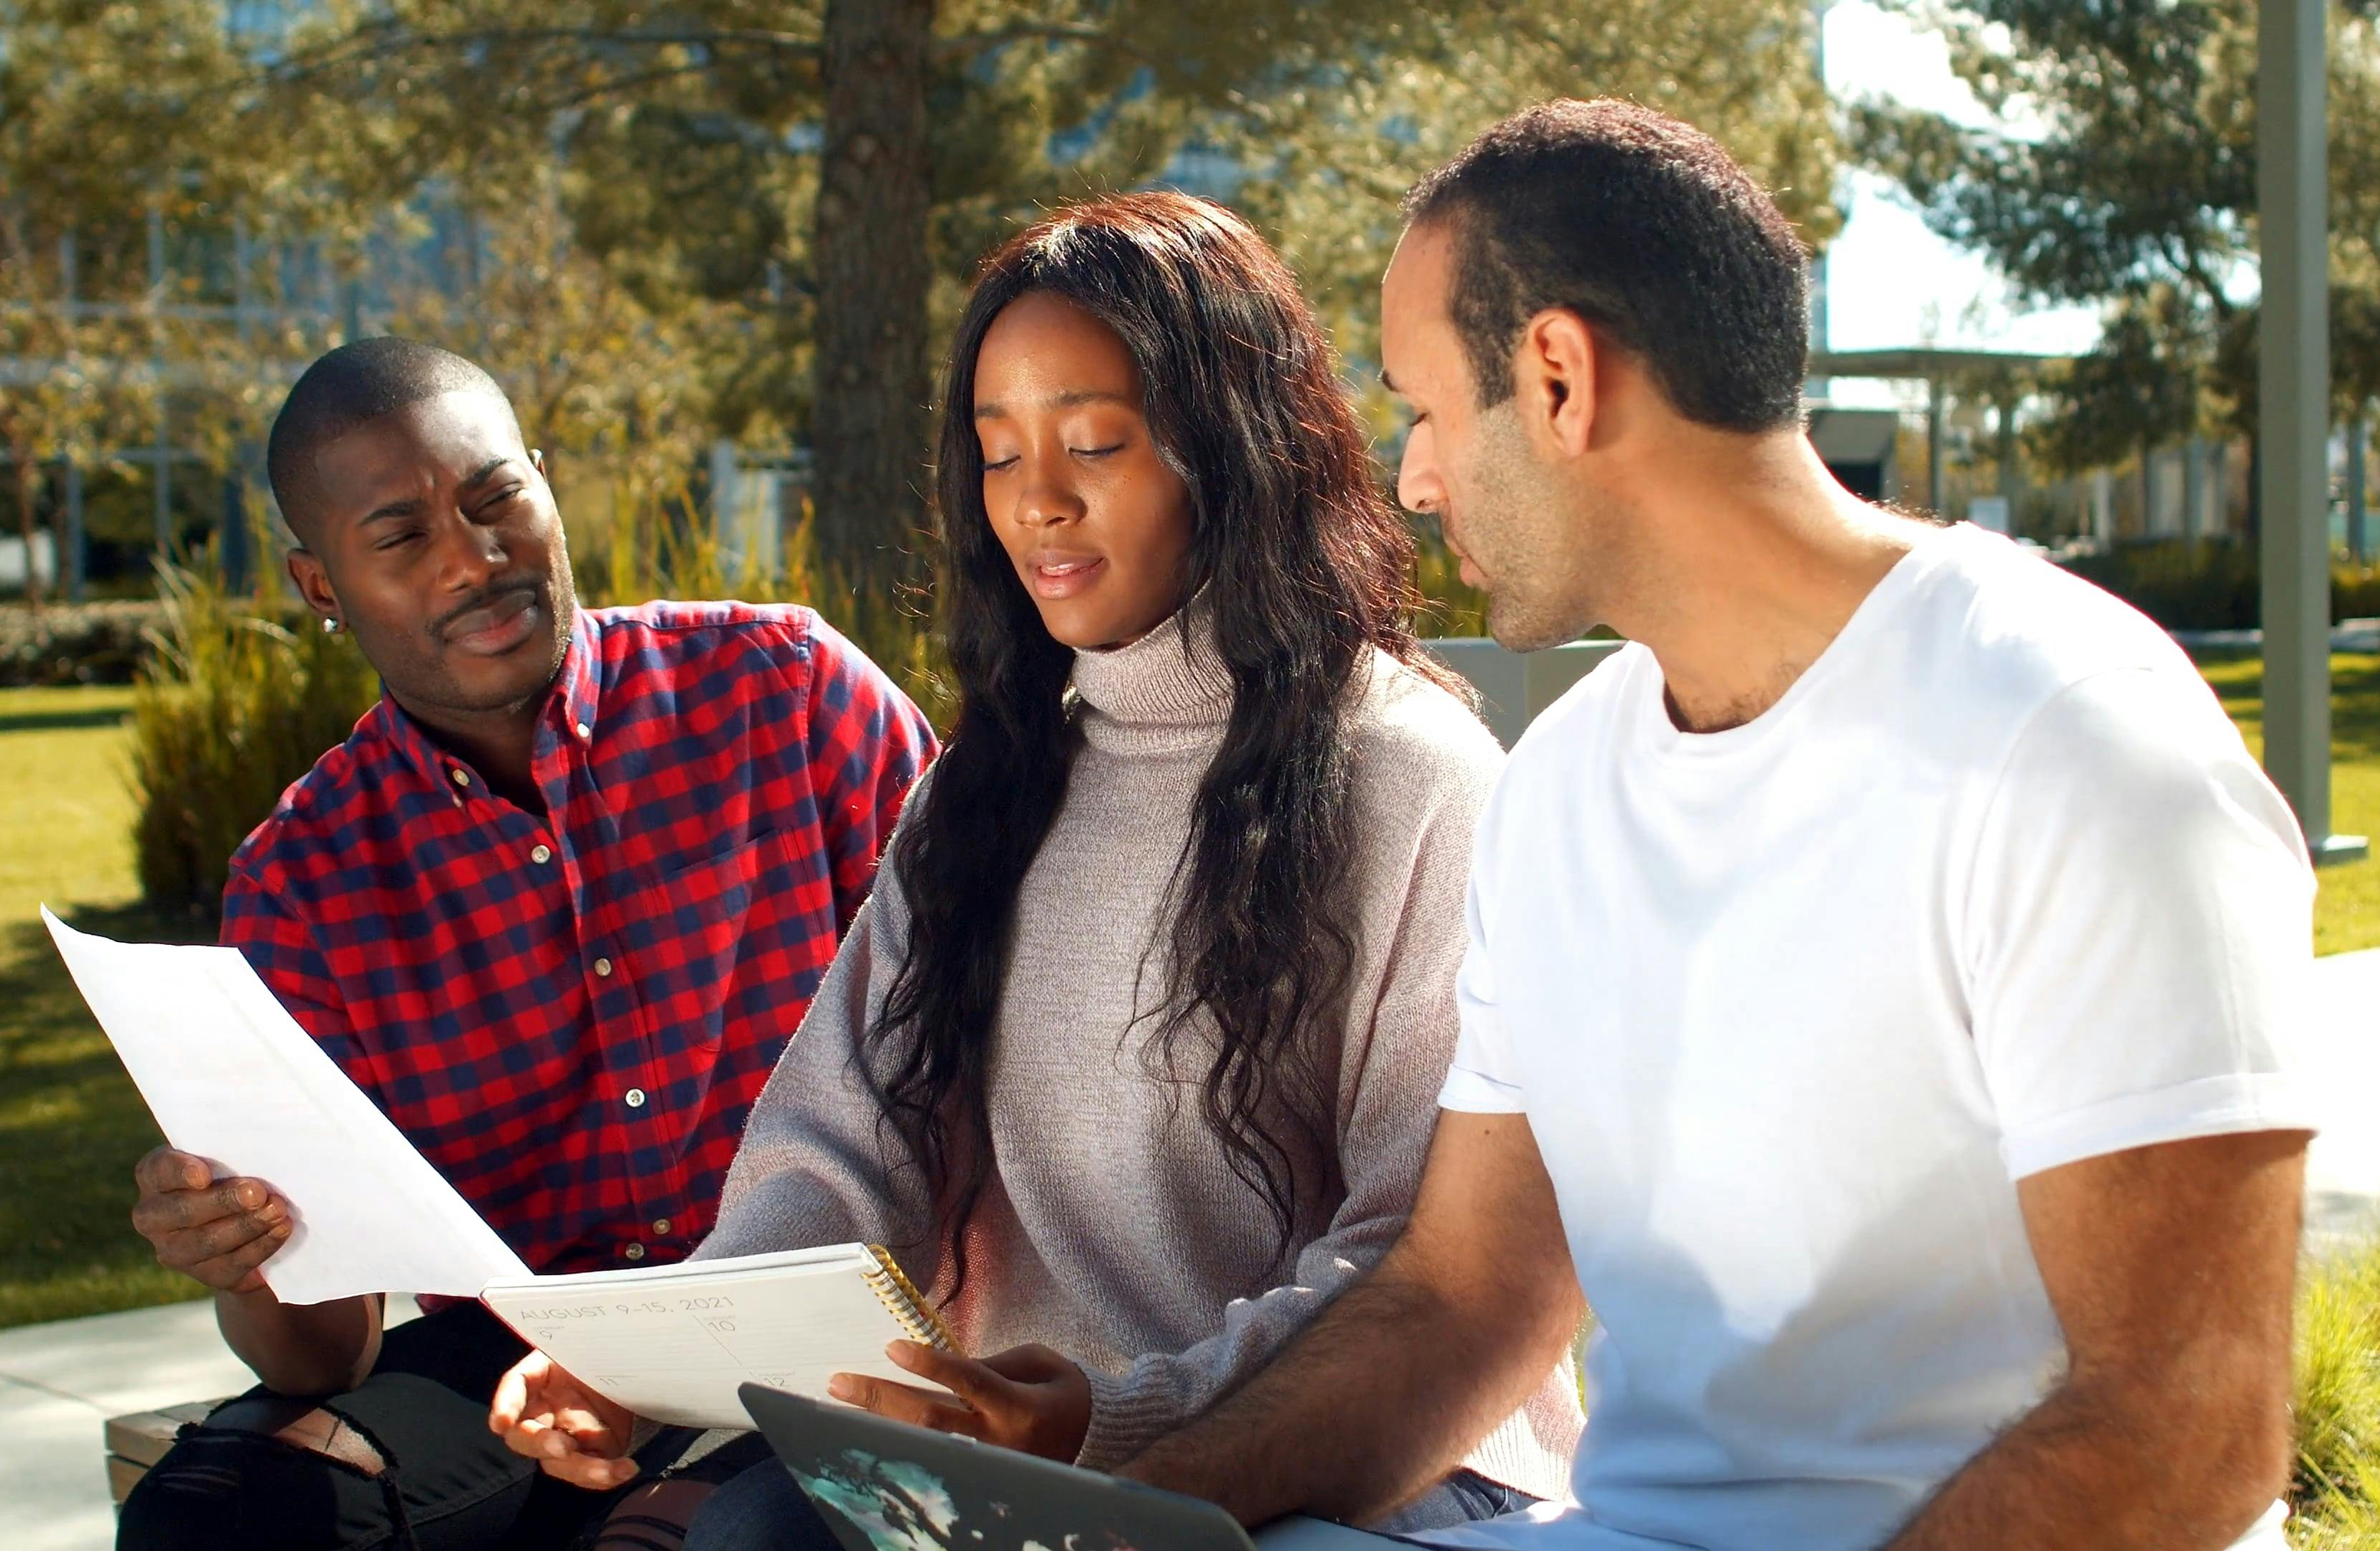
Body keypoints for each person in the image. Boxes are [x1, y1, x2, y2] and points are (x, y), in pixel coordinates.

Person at [1118, 101, 2320, 1551]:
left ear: (1559, 378)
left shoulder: (2072, 742)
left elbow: (2186, 1426)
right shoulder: (1561, 787)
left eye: (1426, 410)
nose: (1414, 480)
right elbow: (1463, 1297)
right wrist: (1133, 1516)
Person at [489, 192, 1584, 1546]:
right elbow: (839, 1153)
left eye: (1095, 444)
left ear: (1235, 448)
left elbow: (1420, 1262)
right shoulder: (989, 784)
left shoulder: (1409, 777)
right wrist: (649, 1374)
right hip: (1007, 1466)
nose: (1039, 503)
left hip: (1359, 1464)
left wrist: (1115, 1419)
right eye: (1000, 456)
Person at [113, 337, 939, 1551]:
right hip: (520, 1359)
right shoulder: (301, 883)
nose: (472, 557)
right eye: (399, 537)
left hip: (829, 1313)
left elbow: (994, 1036)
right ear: (320, 586)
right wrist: (242, 1260)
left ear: (544, 487)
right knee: (214, 1516)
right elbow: (327, 1351)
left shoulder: (793, 694)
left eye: (496, 496)